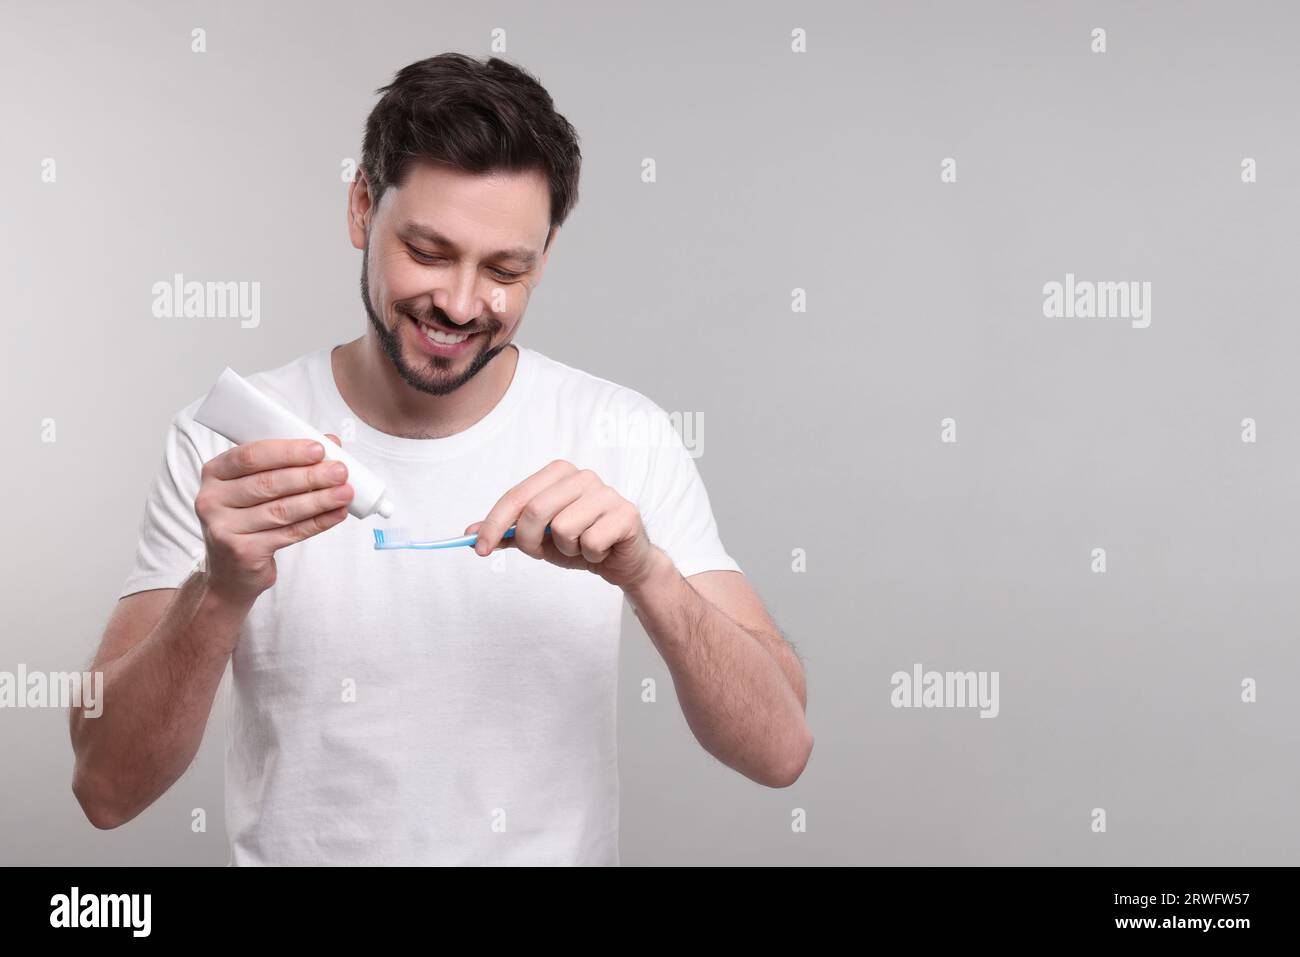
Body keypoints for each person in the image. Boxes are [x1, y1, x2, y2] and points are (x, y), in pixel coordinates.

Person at [69, 52, 811, 865]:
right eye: (427, 251)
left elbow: (780, 751)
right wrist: (219, 590)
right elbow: (106, 788)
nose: (460, 304)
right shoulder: (226, 449)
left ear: (545, 255)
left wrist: (650, 574)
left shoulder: (620, 431)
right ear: (361, 208)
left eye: (504, 270)